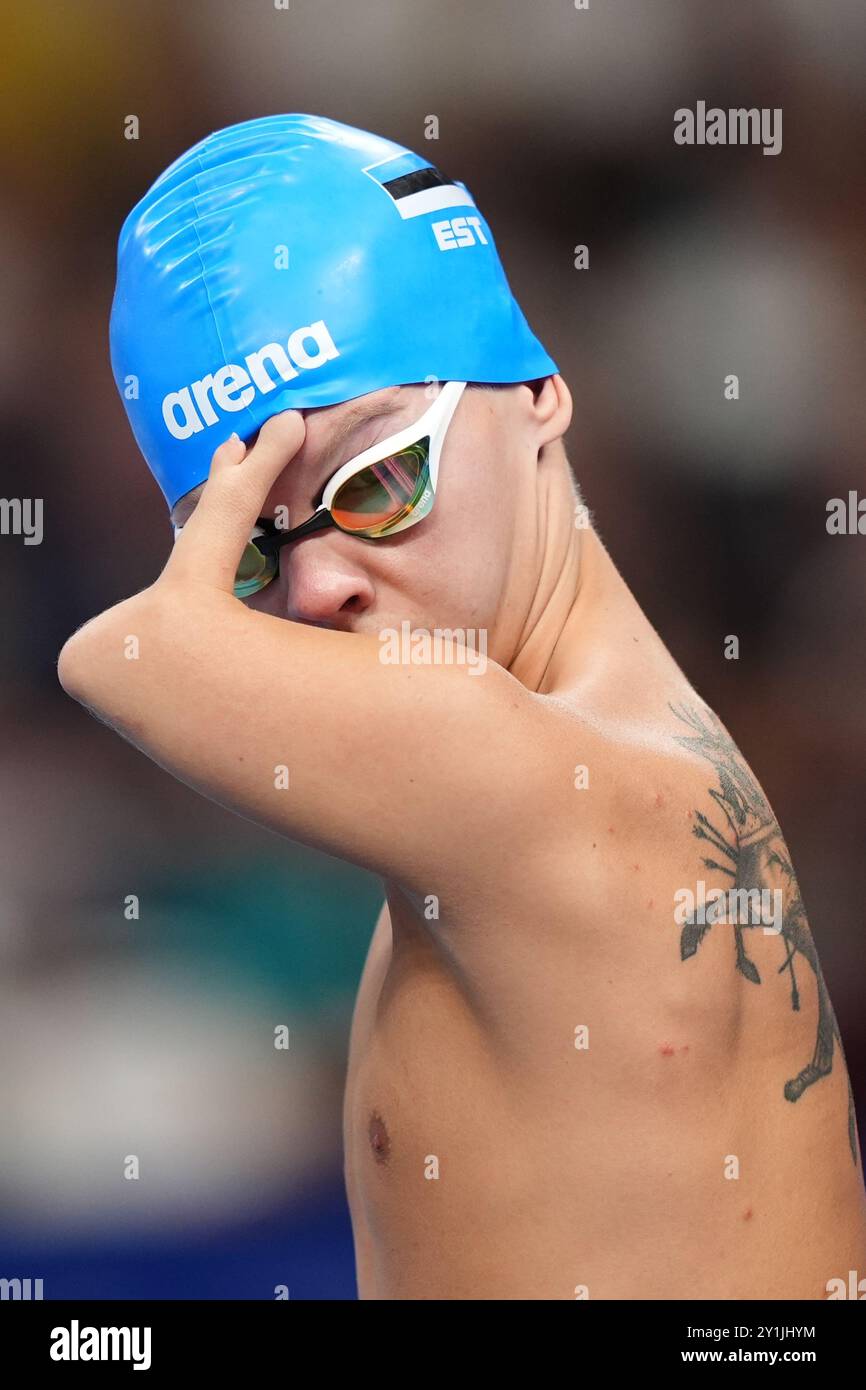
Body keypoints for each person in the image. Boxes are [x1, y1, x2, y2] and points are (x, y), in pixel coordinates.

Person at [59, 114, 866, 1299]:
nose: (318, 583)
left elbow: (123, 654)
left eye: (377, 481)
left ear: (536, 392)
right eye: (251, 551)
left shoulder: (568, 786)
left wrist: (206, 563)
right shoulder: (574, 762)